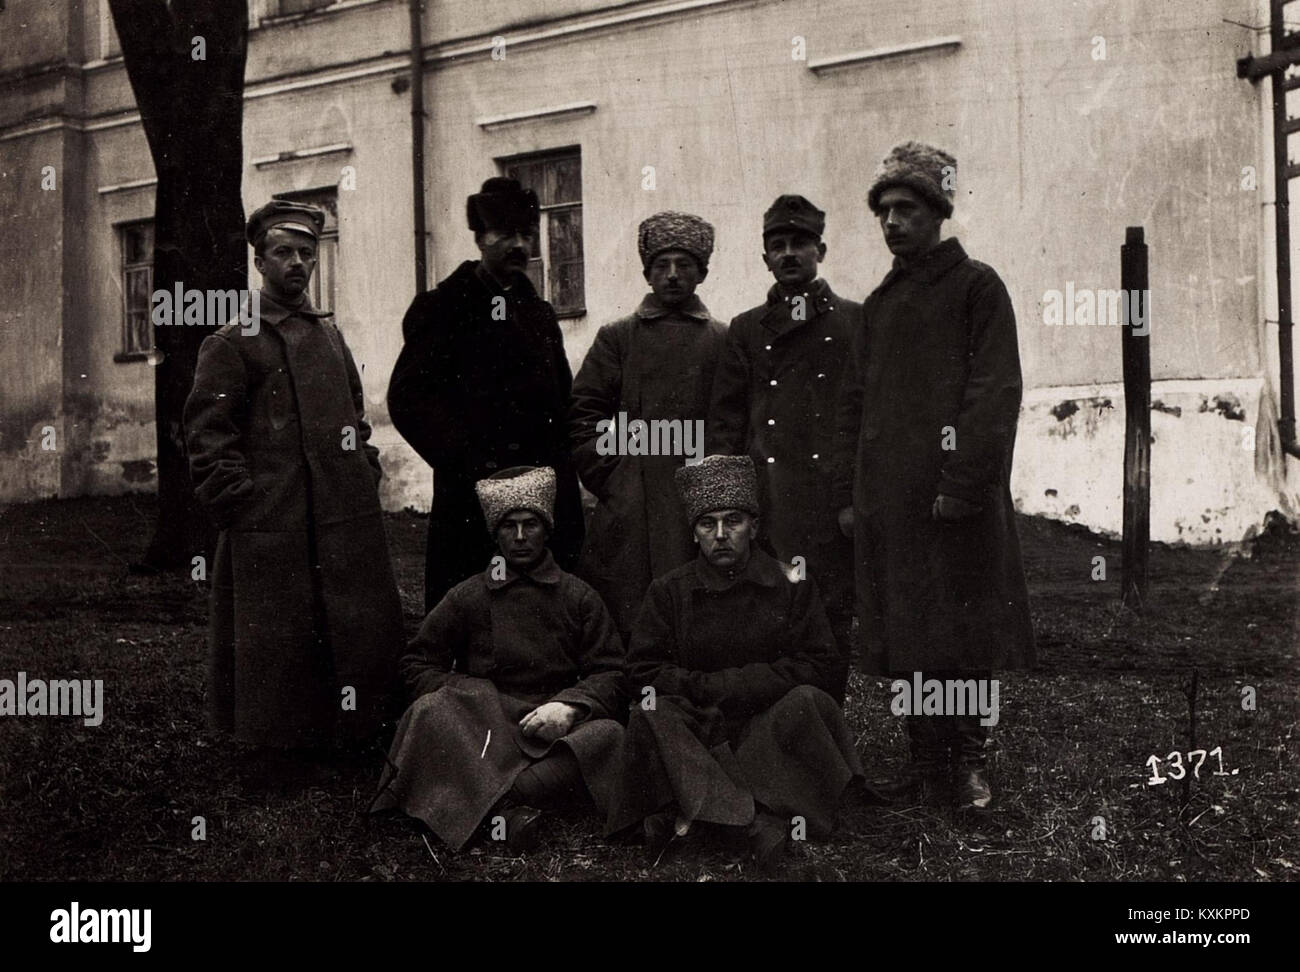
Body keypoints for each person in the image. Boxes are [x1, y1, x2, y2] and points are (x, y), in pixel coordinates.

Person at [832, 142, 1035, 810]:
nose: (892, 222)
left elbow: (994, 391)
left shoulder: (977, 286)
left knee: (964, 633)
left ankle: (968, 765)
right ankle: (925, 762)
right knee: (908, 632)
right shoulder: (880, 304)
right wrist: (859, 498)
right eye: (883, 211)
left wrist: (961, 484)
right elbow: (859, 409)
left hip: (956, 504)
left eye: (906, 208)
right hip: (893, 505)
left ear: (938, 213)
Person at [184, 199, 403, 757]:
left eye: (307, 252)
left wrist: (363, 472)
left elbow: (355, 417)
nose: (298, 263)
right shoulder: (231, 342)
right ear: (259, 262)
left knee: (349, 624)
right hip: (270, 519)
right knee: (276, 637)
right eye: (284, 252)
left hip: (340, 514)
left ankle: (349, 734)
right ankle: (274, 748)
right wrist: (241, 502)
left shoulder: (329, 336)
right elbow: (208, 434)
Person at [605, 455, 861, 870]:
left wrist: (738, 685)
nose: (721, 535)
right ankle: (752, 821)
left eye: (734, 521)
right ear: (694, 533)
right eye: (708, 524)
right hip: (698, 724)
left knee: (810, 702)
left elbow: (820, 665)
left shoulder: (791, 584)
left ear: (754, 526)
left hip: (769, 724)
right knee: (651, 712)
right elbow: (642, 672)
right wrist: (702, 690)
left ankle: (702, 814)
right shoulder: (669, 591)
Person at [371, 466, 626, 853]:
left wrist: (571, 708)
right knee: (430, 713)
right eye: (509, 526)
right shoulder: (468, 595)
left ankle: (500, 800)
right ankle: (511, 808)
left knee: (610, 736)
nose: (521, 537)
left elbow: (610, 669)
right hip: (485, 729)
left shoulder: (579, 597)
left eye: (531, 525)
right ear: (495, 532)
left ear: (547, 529)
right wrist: (467, 696)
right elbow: (418, 663)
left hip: (550, 724)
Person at [388, 177, 584, 613]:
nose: (518, 245)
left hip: (543, 488)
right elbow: (407, 399)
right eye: (505, 233)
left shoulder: (540, 313)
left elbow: (562, 396)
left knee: (544, 605)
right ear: (479, 237)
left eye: (526, 235)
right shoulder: (443, 307)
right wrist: (470, 463)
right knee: (473, 604)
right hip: (472, 492)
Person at [706, 194, 861, 698]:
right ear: (765, 257)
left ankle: (827, 735)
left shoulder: (856, 322)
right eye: (778, 245)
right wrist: (728, 504)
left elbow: (867, 420)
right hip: (769, 501)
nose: (789, 254)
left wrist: (854, 498)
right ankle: (773, 742)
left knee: (831, 621)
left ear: (822, 249)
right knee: (768, 618)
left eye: (800, 243)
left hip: (832, 503)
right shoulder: (747, 329)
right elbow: (726, 423)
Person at [569, 211, 728, 643]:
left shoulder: (722, 339)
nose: (673, 275)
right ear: (647, 273)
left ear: (702, 272)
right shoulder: (618, 337)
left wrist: (715, 488)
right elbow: (585, 413)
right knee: (625, 613)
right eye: (662, 265)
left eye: (684, 265)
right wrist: (615, 477)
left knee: (697, 611)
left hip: (697, 497)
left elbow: (732, 419)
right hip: (631, 505)